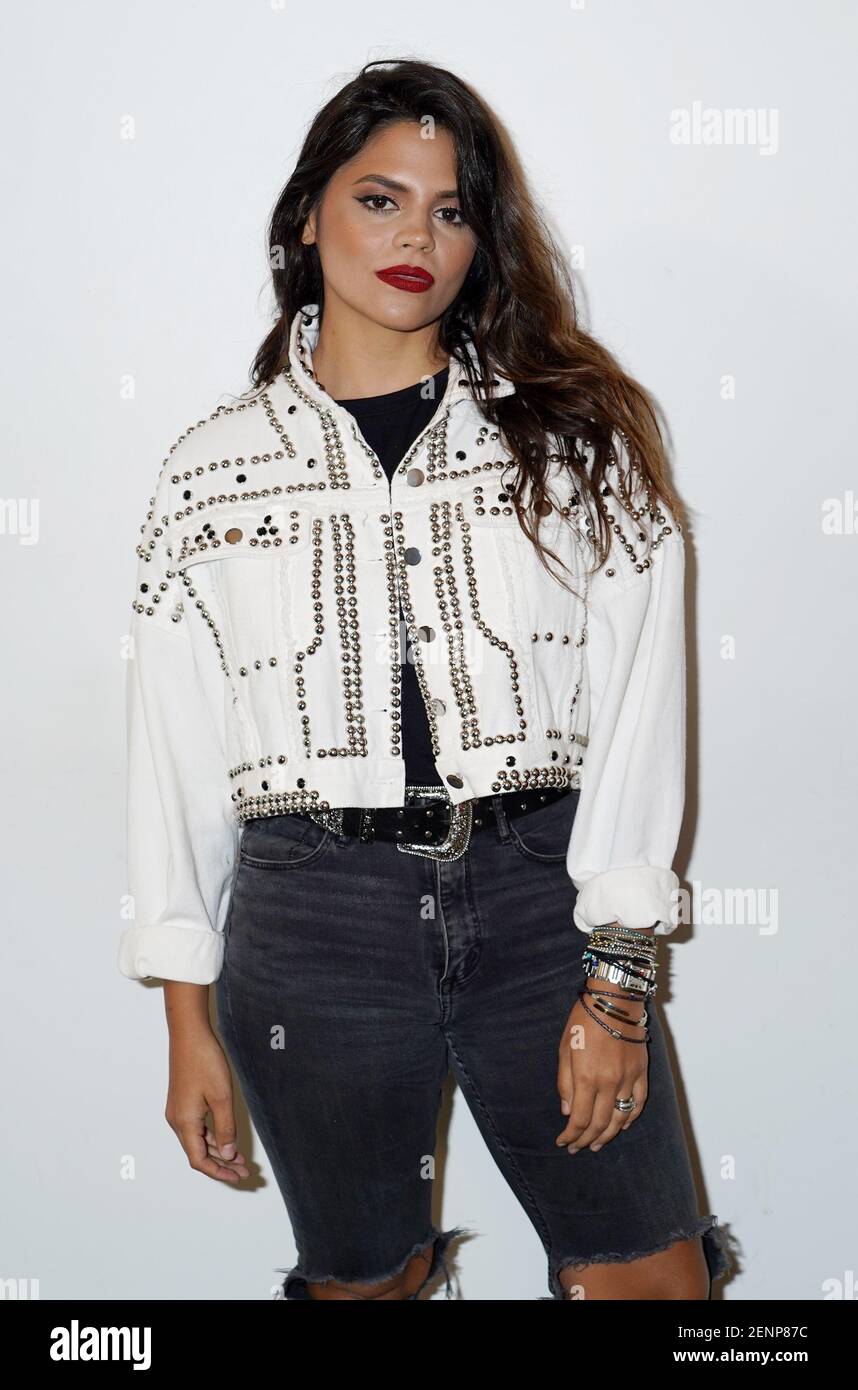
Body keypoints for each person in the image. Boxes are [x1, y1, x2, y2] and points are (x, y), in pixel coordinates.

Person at [119, 58, 732, 1301]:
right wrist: (186, 1018)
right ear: (309, 215)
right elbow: (171, 756)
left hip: (536, 912)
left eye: (451, 210)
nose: (417, 238)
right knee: (364, 1289)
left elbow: (637, 715)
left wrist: (616, 982)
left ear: (482, 238)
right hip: (311, 928)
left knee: (653, 1284)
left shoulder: (570, 438)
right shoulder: (209, 471)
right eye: (380, 198)